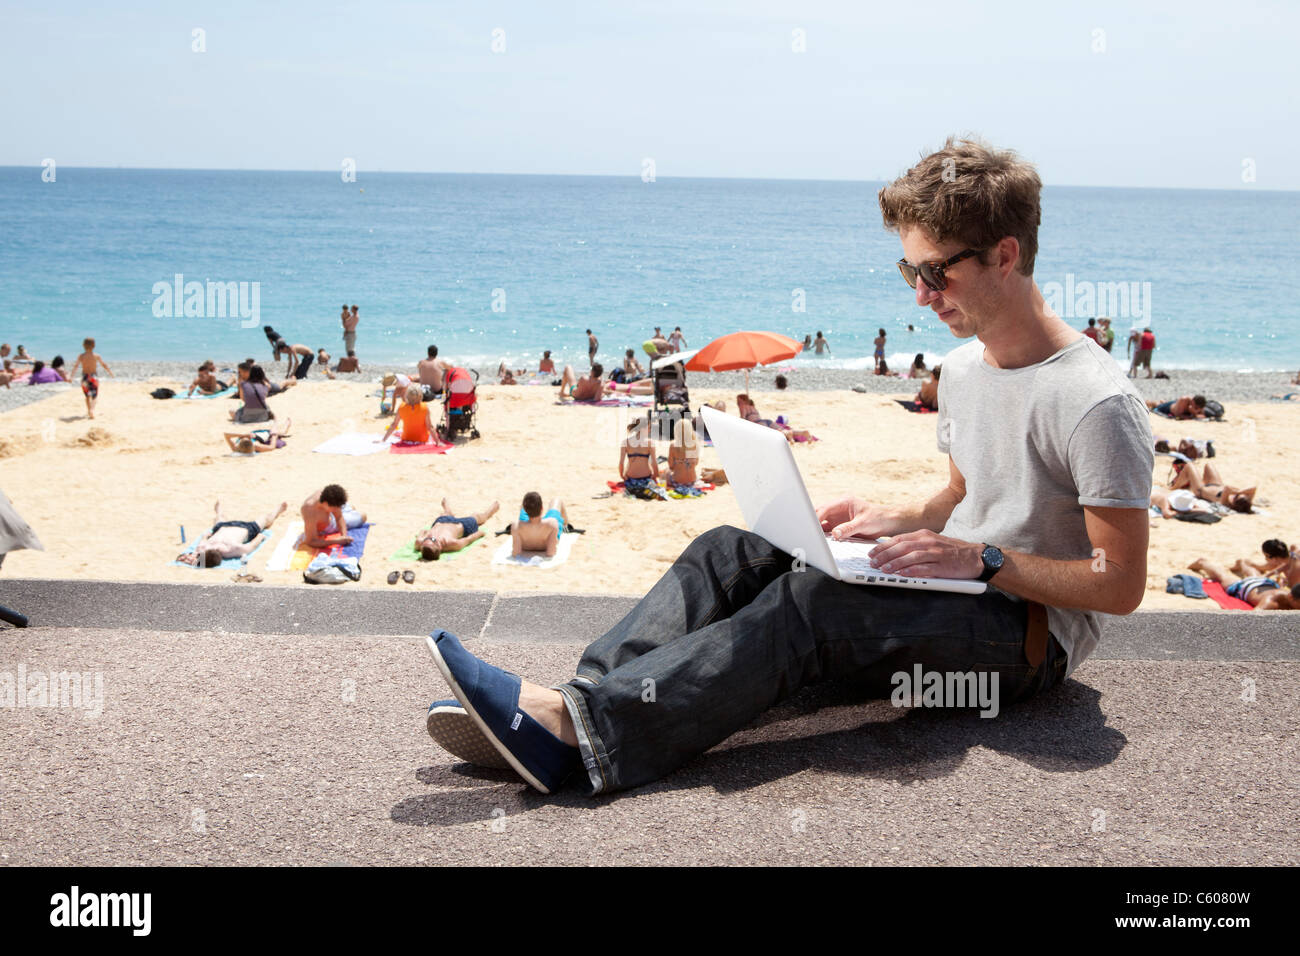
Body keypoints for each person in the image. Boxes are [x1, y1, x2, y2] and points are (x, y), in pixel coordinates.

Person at [420, 136, 1153, 797]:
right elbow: (963, 492)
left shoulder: (1094, 401)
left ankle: (576, 735)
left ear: (1005, 254)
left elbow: (1116, 585)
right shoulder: (963, 371)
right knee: (726, 553)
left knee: (813, 605)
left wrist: (983, 558)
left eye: (938, 273)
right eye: (910, 271)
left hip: (1027, 640)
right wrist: (896, 520)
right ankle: (586, 693)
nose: (922, 296)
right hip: (956, 583)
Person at [177, 500, 287, 567]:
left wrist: (206, 537)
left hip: (222, 527)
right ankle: (277, 510)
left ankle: (219, 510)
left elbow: (203, 539)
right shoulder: (232, 550)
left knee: (219, 518)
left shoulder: (202, 549)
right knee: (266, 519)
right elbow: (252, 545)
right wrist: (260, 536)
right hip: (246, 529)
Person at [1187, 557, 1300, 610]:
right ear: (1291, 597)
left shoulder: (1293, 597)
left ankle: (1242, 564)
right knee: (1223, 577)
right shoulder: (1270, 602)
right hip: (1245, 587)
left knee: (1255, 576)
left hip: (1265, 584)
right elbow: (1252, 618)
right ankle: (1203, 563)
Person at [415, 498, 498, 560]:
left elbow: (422, 531)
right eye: (434, 540)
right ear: (440, 547)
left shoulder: (420, 542)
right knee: (478, 517)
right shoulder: (452, 544)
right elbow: (469, 539)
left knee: (444, 514)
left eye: (429, 539)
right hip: (462, 525)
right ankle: (490, 511)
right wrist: (480, 533)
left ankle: (447, 510)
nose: (432, 538)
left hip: (441, 521)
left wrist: (426, 534)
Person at [1169, 460, 1255, 513]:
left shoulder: (1226, 502)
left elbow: (1227, 488)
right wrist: (1240, 493)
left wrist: (1238, 492)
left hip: (1200, 490)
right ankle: (1187, 480)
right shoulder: (1237, 499)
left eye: (1236, 496)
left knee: (1189, 466)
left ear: (1235, 503)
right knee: (1209, 465)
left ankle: (1173, 488)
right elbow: (1254, 488)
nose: (1235, 495)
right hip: (1216, 484)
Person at [301, 485, 365, 549]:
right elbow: (310, 541)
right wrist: (336, 541)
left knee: (350, 508)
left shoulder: (326, 494)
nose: (337, 510)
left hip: (330, 512)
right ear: (326, 503)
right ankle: (349, 509)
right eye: (335, 508)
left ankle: (349, 508)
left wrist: (344, 536)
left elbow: (339, 516)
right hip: (329, 525)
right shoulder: (310, 511)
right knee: (363, 516)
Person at [68, 338, 113, 419]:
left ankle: (89, 411)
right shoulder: (96, 356)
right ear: (94, 346)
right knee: (94, 396)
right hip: (93, 377)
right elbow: (104, 365)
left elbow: (76, 366)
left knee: (87, 396)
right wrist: (110, 372)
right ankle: (92, 410)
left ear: (83, 345)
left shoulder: (81, 356)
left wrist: (71, 376)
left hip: (85, 377)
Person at [513, 491, 568, 557]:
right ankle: (565, 524)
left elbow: (516, 553)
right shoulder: (552, 523)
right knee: (557, 500)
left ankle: (529, 508)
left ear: (526, 510)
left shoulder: (516, 526)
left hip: (525, 526)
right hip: (547, 527)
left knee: (528, 501)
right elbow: (551, 552)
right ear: (542, 508)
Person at [1231, 539, 1300, 587]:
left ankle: (1243, 563)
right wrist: (1270, 574)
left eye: (1266, 557)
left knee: (1261, 570)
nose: (1265, 559)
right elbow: (1287, 564)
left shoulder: (1292, 572)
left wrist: (1283, 582)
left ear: (1273, 558)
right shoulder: (1294, 552)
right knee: (1265, 568)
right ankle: (1244, 563)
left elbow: (1293, 588)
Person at [619, 416, 659, 491]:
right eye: (649, 428)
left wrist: (622, 476)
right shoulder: (650, 443)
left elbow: (621, 463)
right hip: (646, 478)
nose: (650, 430)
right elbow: (654, 463)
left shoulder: (625, 442)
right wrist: (655, 475)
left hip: (630, 479)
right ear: (642, 428)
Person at [666, 417, 700, 493]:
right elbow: (696, 463)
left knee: (666, 472)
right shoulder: (695, 444)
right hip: (692, 481)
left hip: (677, 482)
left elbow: (671, 466)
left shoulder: (673, 445)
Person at [224, 418, 292, 455]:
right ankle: (286, 425)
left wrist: (243, 435)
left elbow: (226, 434)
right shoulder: (256, 446)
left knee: (274, 426)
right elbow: (271, 447)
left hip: (254, 434)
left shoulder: (235, 447)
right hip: (262, 436)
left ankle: (277, 422)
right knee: (281, 432)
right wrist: (274, 435)